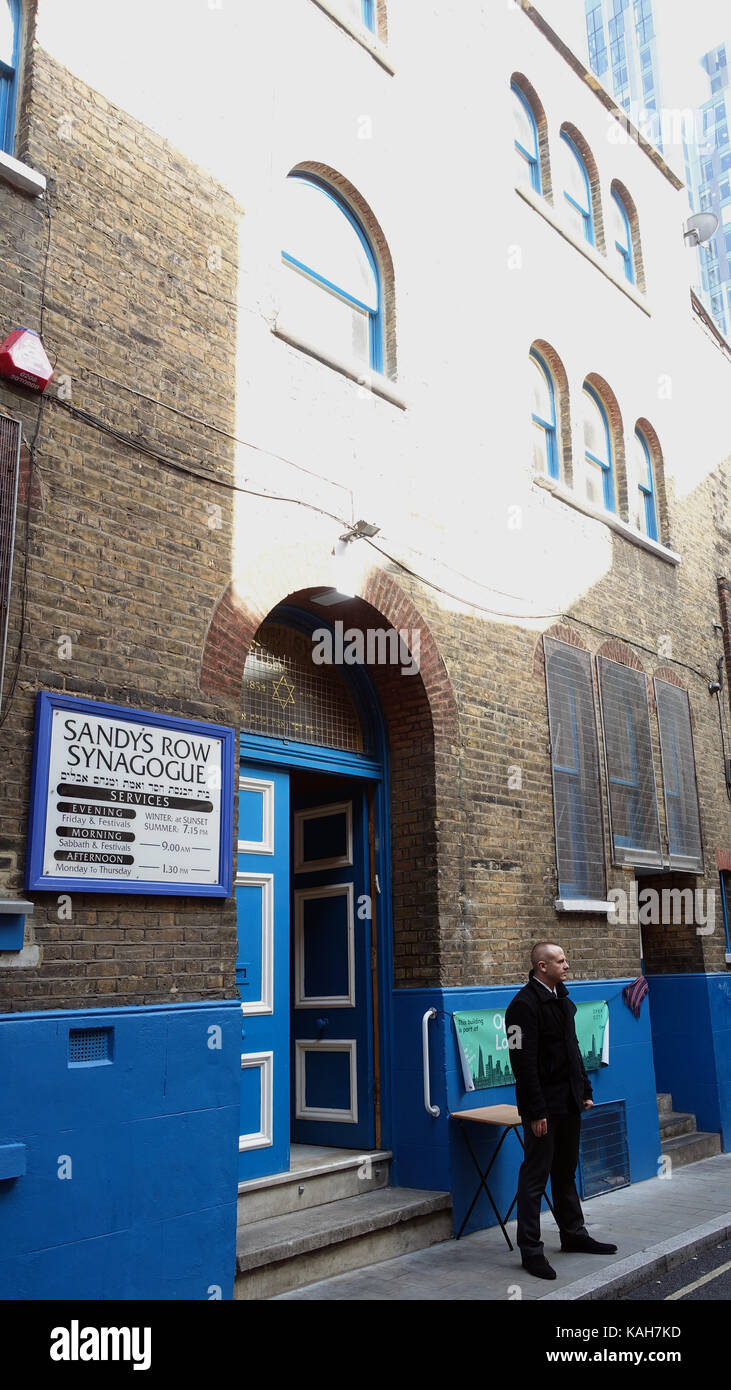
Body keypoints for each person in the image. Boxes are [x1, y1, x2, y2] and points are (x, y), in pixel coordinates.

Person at [505, 942, 617, 1280]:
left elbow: (573, 1049)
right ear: (542, 966)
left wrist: (584, 1090)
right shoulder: (521, 1007)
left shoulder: (563, 1001)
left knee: (565, 1171)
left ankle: (573, 1235)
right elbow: (521, 1064)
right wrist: (536, 1112)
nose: (566, 965)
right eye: (560, 960)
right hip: (542, 1108)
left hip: (568, 1102)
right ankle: (531, 1250)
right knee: (535, 1176)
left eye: (566, 959)